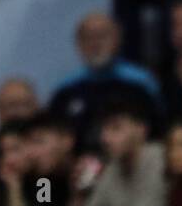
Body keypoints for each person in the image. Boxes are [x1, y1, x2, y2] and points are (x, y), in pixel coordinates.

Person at [31, 98, 167, 206]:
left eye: (115, 128)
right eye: (104, 129)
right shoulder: (112, 167)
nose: (105, 138)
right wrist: (78, 196)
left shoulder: (157, 162)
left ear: (141, 130)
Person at [47, 11, 162, 151]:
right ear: (78, 44)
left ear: (117, 38)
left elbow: (157, 130)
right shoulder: (65, 92)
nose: (95, 43)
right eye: (88, 37)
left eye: (102, 36)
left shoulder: (140, 82)